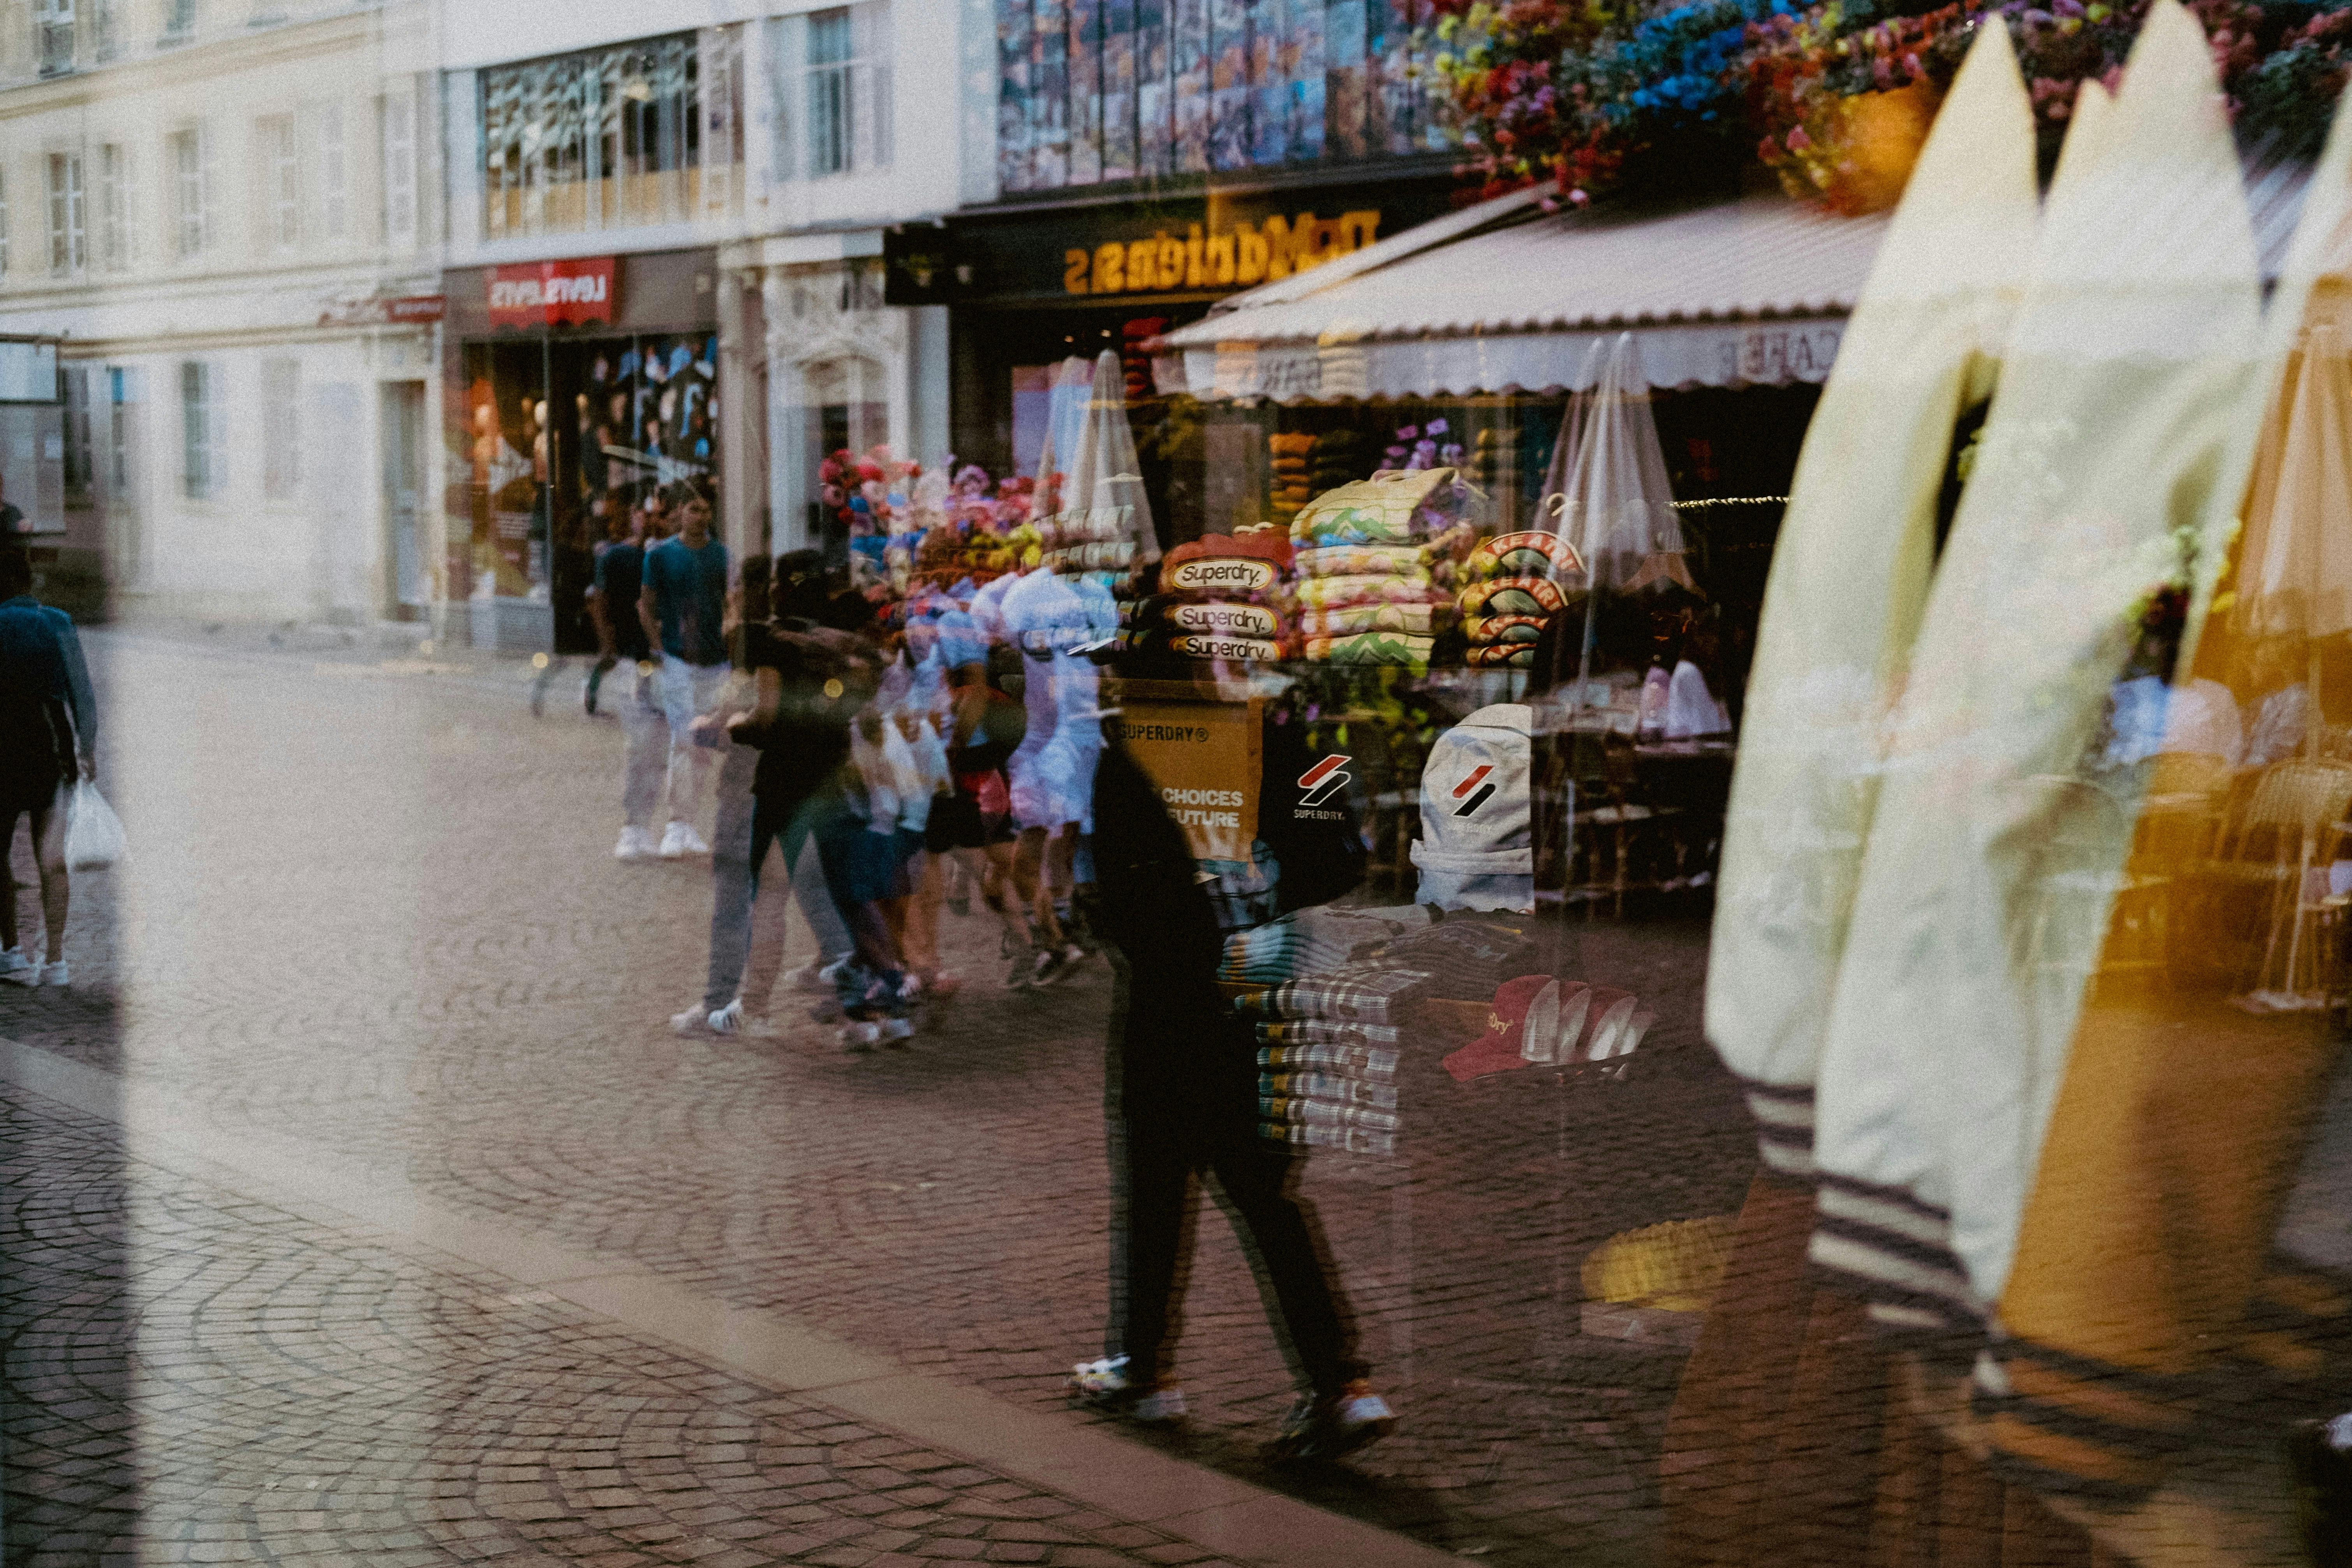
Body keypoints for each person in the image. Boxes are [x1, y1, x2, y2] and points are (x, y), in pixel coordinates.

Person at [1069, 735, 1395, 1459]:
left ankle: (1147, 1369)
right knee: (1263, 1194)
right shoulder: (1271, 739)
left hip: (1176, 1004)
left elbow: (1116, 895)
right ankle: (1338, 1384)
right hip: (1266, 993)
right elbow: (1337, 848)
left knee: (1157, 1188)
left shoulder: (1133, 754)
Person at [0, 541, 93, 987]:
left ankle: (12, 951)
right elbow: (83, 694)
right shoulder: (58, 623)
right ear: (30, 581)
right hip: (50, 753)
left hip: (3, 756)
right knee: (51, 860)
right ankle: (56, 961)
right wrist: (87, 748)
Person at [639, 477, 728, 858]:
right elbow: (645, 604)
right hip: (678, 657)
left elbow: (731, 602)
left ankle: (689, 823)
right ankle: (676, 825)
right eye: (693, 509)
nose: (699, 516)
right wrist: (659, 649)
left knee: (704, 741)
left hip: (715, 658)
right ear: (679, 513)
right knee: (683, 738)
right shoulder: (660, 555)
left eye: (706, 509)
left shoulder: (722, 555)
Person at [590, 485, 668, 861]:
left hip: (683, 666)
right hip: (639, 663)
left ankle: (675, 826)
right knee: (644, 746)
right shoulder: (620, 558)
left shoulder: (692, 557)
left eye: (663, 513)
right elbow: (600, 602)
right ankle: (635, 828)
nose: (656, 519)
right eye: (650, 511)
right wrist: (608, 644)